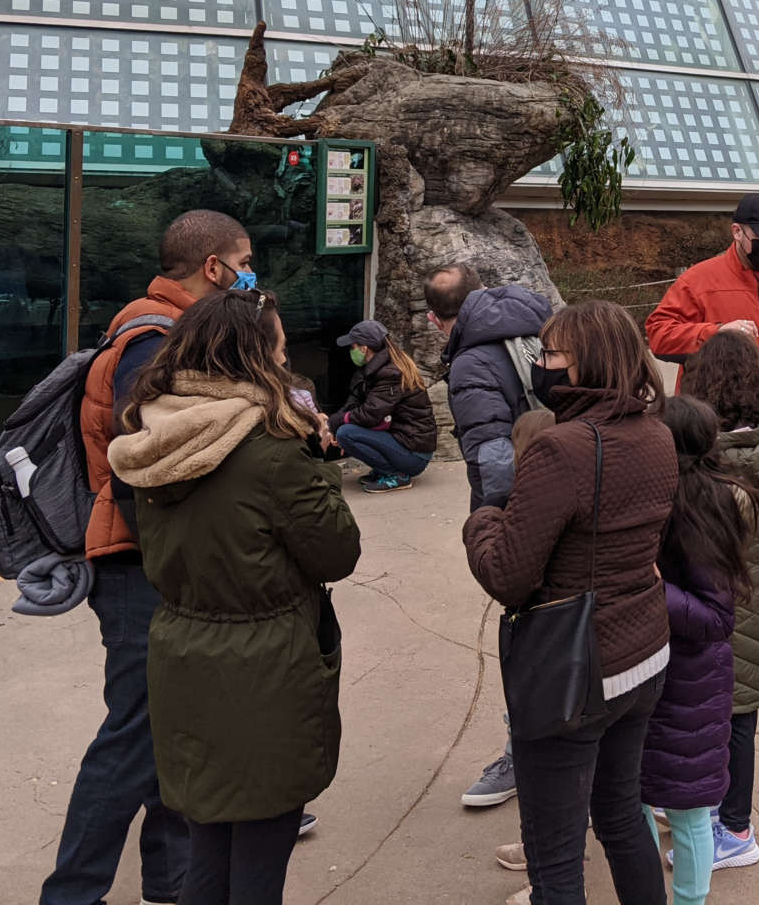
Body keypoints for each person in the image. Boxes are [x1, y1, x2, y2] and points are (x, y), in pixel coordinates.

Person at [108, 290, 361, 905]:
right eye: (278, 350)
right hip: (264, 664)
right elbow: (337, 552)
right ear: (254, 361)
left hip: (181, 651)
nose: (285, 362)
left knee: (209, 845)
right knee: (259, 854)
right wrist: (317, 458)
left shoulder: (150, 436)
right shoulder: (272, 453)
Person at [43, 209, 255, 905]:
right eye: (244, 261)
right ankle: (72, 894)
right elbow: (147, 466)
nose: (252, 276)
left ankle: (171, 877)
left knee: (175, 725)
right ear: (214, 268)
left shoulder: (163, 332)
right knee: (134, 735)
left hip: (156, 561)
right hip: (139, 565)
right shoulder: (152, 342)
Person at [464, 300, 677, 905]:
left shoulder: (563, 449)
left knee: (555, 863)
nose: (540, 364)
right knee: (620, 816)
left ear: (587, 364)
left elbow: (508, 573)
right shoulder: (656, 433)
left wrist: (484, 516)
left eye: (551, 354)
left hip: (574, 672)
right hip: (642, 655)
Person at [425, 263, 553, 808]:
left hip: (529, 512)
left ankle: (525, 755)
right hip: (581, 493)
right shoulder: (544, 327)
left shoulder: (472, 361)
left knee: (526, 634)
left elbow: (494, 458)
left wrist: (496, 532)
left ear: (436, 320)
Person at [679, 332, 759, 872]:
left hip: (716, 598)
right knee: (740, 712)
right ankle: (735, 823)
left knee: (709, 715)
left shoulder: (717, 465)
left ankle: (724, 827)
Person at [641, 397, 759, 905]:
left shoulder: (701, 508)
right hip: (650, 676)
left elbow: (716, 618)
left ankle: (690, 900)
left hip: (687, 684)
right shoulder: (660, 496)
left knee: (687, 812)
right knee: (633, 799)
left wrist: (652, 586)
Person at [646, 193, 759, 454]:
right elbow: (658, 334)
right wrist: (714, 333)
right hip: (711, 439)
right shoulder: (698, 280)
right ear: (737, 232)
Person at [328, 319, 437, 493]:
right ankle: (384, 469)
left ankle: (396, 475)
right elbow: (353, 402)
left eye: (352, 347)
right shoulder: (372, 369)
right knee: (342, 430)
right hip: (403, 443)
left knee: (346, 433)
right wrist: (332, 425)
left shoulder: (390, 373)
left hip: (414, 454)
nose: (351, 352)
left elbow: (370, 414)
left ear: (364, 348)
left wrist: (339, 424)